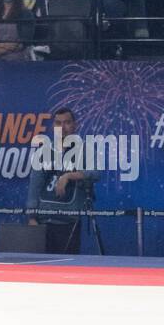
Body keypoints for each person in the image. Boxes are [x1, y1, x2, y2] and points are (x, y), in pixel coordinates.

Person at [26, 107, 98, 253]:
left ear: (74, 125)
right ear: (53, 126)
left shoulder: (85, 151)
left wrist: (68, 176)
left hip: (68, 222)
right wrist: (31, 217)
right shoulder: (43, 152)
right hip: (42, 222)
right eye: (58, 123)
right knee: (40, 272)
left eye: (67, 123)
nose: (62, 127)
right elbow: (35, 187)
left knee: (66, 268)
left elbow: (96, 173)